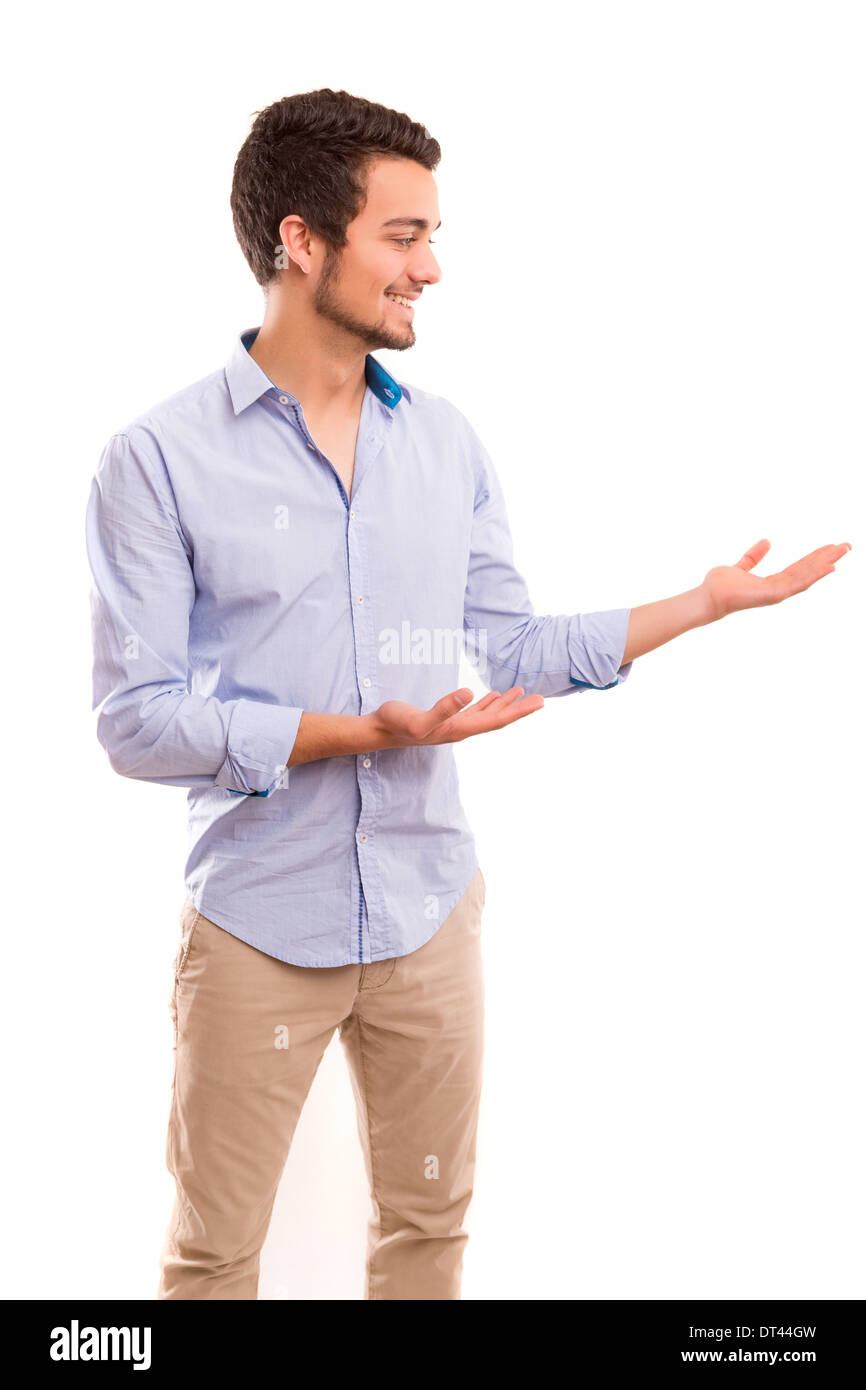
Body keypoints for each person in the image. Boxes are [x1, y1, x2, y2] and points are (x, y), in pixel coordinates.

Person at [84, 87, 852, 1301]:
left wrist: (699, 604)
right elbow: (135, 721)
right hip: (252, 928)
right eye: (402, 236)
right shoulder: (158, 458)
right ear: (300, 241)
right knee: (215, 1250)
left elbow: (513, 647)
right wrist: (356, 733)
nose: (430, 267)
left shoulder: (443, 444)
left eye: (430, 237)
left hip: (428, 909)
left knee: (428, 1232)